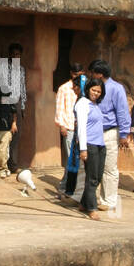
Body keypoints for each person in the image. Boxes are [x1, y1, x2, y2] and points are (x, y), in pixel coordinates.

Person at [88, 59, 131, 214]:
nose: (90, 75)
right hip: (93, 132)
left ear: (99, 74)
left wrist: (124, 134)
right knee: (92, 167)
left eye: (92, 72)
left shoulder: (116, 89)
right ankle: (88, 198)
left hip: (110, 132)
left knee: (109, 167)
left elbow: (122, 111)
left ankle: (109, 200)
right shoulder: (93, 88)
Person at [74, 77, 107, 219]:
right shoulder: (82, 104)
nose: (96, 93)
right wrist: (83, 149)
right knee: (92, 177)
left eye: (99, 91)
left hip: (100, 144)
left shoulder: (96, 105)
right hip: (89, 144)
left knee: (98, 176)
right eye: (94, 90)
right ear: (88, 89)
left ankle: (83, 202)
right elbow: (81, 127)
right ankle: (92, 208)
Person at [55, 61, 85, 201]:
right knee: (70, 160)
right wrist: (61, 125)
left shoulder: (86, 88)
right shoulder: (64, 88)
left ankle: (70, 187)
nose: (77, 77)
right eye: (75, 74)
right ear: (71, 74)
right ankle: (64, 187)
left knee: (78, 161)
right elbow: (59, 108)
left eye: (80, 74)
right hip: (69, 126)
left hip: (82, 129)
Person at [0, 43, 27, 170]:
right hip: (5, 100)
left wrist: (23, 105)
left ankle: (12, 164)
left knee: (15, 134)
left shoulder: (21, 69)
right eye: (14, 54)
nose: (16, 56)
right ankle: (0, 162)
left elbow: (23, 87)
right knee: (4, 132)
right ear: (10, 54)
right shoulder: (3, 67)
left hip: (17, 101)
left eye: (18, 54)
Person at [0, 95, 18, 176]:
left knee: (2, 151)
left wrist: (14, 123)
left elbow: (14, 113)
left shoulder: (10, 101)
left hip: (7, 130)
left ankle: (2, 170)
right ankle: (5, 168)